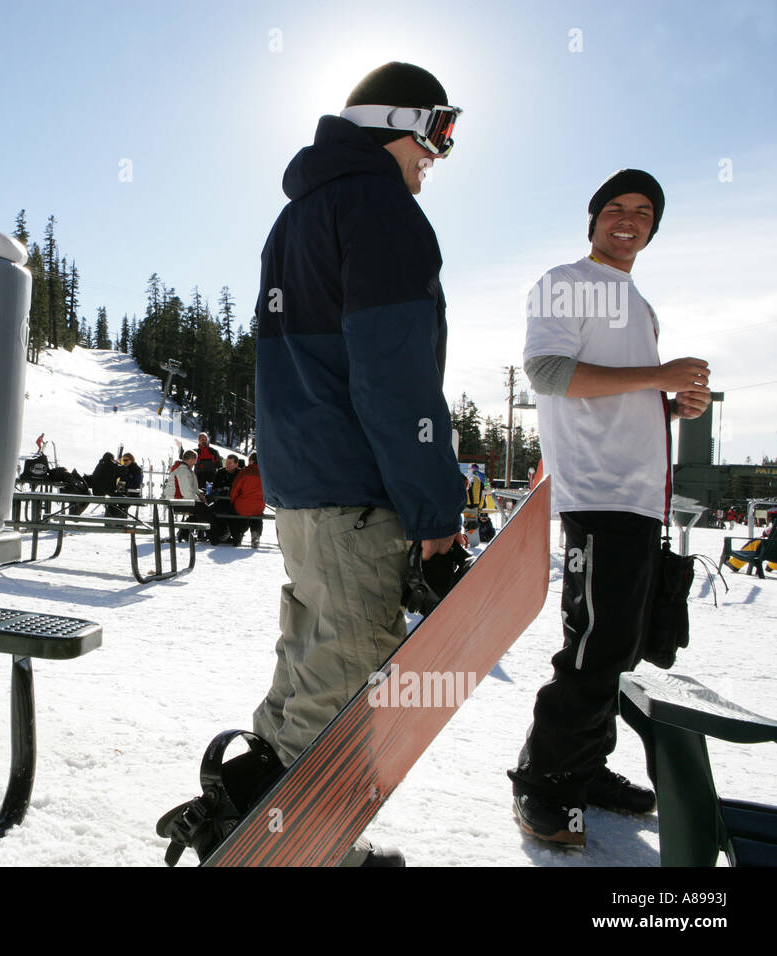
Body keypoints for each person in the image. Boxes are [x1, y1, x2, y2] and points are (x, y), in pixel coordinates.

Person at [250, 62, 467, 866]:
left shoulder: (298, 215)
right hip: (354, 490)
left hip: (307, 488)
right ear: (395, 123)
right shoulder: (381, 207)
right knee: (345, 681)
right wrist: (435, 512)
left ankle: (249, 808)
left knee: (310, 656)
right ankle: (308, 851)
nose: (436, 157)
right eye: (436, 134)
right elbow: (393, 375)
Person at [510, 169, 712, 847]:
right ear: (594, 219)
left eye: (643, 212)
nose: (628, 220)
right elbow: (548, 373)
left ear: (653, 228)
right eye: (615, 209)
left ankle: (584, 769)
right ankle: (543, 786)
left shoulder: (638, 303)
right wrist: (659, 375)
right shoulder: (568, 280)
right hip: (596, 489)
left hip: (637, 495)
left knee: (619, 643)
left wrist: (669, 401)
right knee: (596, 644)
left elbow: (617, 391)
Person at [230, 451, 266, 547]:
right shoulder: (265, 473)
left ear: (252, 461)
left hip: (242, 505)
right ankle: (255, 535)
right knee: (257, 518)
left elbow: (235, 487)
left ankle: (238, 535)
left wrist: (233, 500)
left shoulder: (245, 471)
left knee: (240, 517)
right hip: (258, 506)